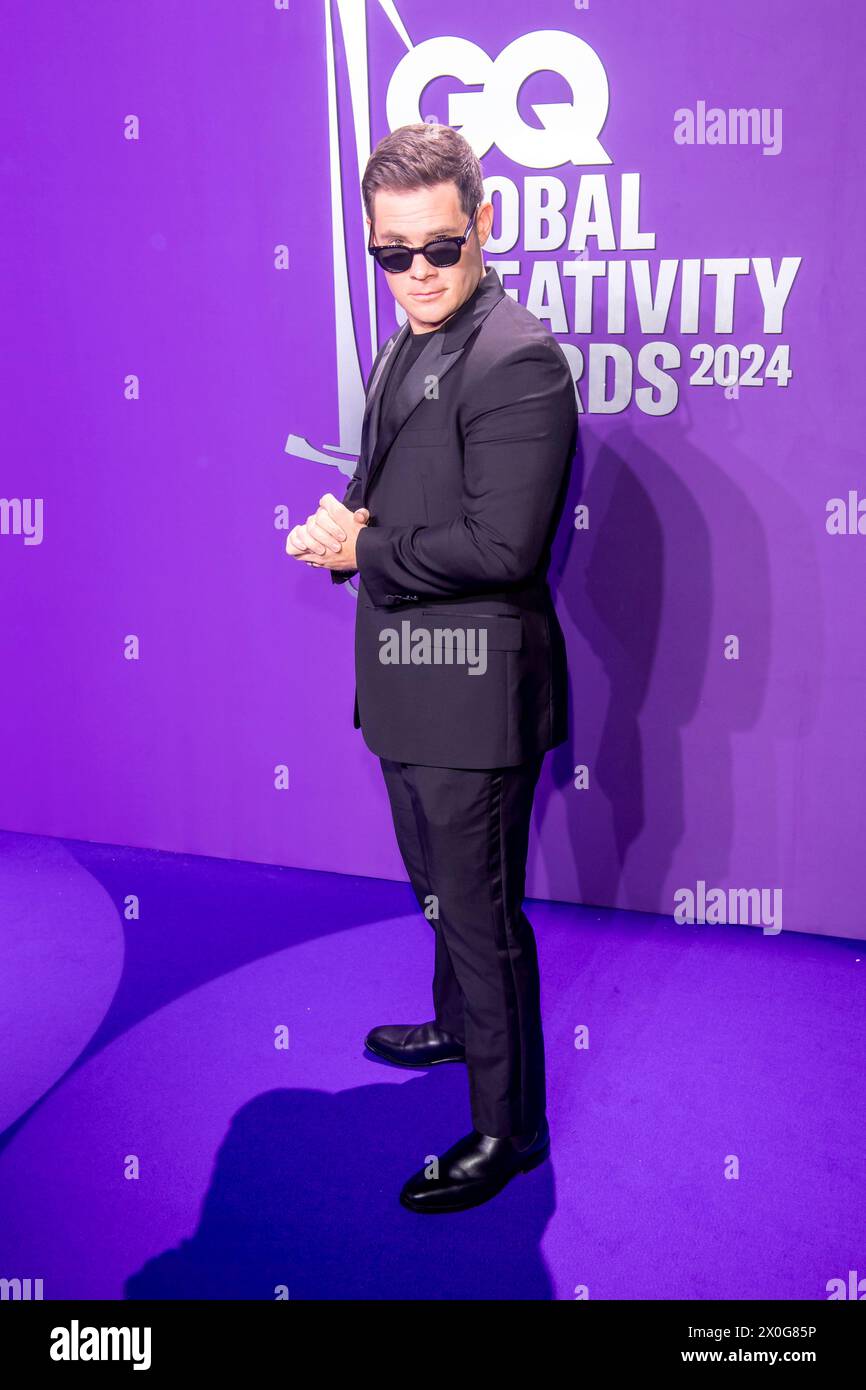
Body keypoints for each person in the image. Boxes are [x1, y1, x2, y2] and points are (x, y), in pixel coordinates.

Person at [286, 123, 577, 1213]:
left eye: (438, 248)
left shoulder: (518, 359)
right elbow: (399, 489)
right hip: (407, 680)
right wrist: (342, 527)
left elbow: (503, 547)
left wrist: (361, 550)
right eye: (390, 253)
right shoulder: (407, 340)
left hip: (471, 697)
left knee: (480, 910)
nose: (416, 273)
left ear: (483, 226)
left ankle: (509, 1130)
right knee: (437, 895)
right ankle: (456, 1024)